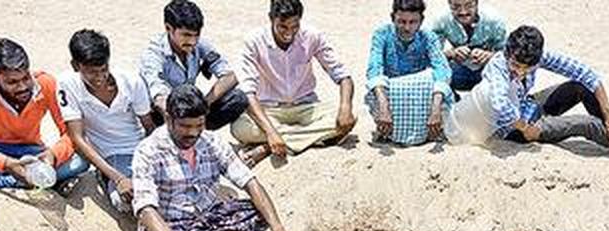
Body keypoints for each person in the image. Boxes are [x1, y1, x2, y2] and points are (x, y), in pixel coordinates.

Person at [133, 85, 297, 231]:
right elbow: (145, 207)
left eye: (199, 125)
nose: (193, 133)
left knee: (261, 214)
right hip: (170, 224)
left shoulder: (212, 141)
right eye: (185, 126)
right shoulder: (148, 151)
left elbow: (249, 181)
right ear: (168, 119)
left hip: (205, 215)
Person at [455, 25, 609, 162]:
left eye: (526, 68)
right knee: (585, 124)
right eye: (515, 65)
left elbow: (585, 73)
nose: (519, 71)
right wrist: (525, 129)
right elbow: (501, 105)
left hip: (528, 105)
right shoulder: (498, 66)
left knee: (580, 86)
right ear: (508, 53)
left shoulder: (536, 58)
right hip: (513, 129)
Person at [0, 38, 89, 196]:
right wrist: (5, 163)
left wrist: (53, 156)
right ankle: (46, 180)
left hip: (31, 151)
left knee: (81, 161)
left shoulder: (46, 83)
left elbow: (70, 132)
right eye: (12, 82)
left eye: (26, 78)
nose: (23, 87)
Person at [230, 0, 356, 162]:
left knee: (348, 117)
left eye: (295, 26)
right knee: (239, 128)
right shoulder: (253, 41)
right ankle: (302, 139)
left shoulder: (312, 36)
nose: (289, 33)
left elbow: (343, 75)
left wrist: (345, 107)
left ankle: (269, 145)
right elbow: (248, 92)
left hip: (306, 106)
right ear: (271, 19)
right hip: (268, 109)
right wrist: (270, 131)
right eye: (283, 27)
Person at [59, 29, 155, 215]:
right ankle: (105, 176)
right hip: (109, 155)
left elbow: (149, 127)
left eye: (104, 69)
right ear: (75, 66)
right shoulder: (67, 84)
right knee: (127, 201)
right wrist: (118, 178)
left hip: (138, 149)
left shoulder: (131, 81)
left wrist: (153, 159)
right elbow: (77, 138)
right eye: (92, 72)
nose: (100, 77)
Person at [140, 0, 248, 131]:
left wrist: (204, 103)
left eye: (196, 35)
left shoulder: (199, 44)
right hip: (164, 114)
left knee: (238, 98)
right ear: (168, 28)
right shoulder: (153, 55)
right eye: (186, 35)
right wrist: (179, 116)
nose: (192, 41)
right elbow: (159, 96)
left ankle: (197, 131)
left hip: (191, 110)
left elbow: (230, 76)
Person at [365, 0, 451, 146]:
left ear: (421, 21)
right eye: (401, 22)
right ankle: (387, 131)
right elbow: (374, 69)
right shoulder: (382, 34)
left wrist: (435, 108)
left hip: (420, 94)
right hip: (392, 93)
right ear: (393, 18)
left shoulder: (428, 37)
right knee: (374, 91)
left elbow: (442, 70)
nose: (407, 27)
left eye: (413, 22)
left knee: (442, 90)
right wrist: (384, 107)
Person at [429, 0, 506, 92]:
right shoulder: (441, 21)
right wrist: (452, 53)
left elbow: (508, 55)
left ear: (476, 3)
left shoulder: (494, 21)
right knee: (431, 75)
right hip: (458, 70)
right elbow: (431, 55)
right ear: (449, 5)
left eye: (469, 5)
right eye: (456, 6)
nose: (463, 12)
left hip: (488, 71)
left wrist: (490, 56)